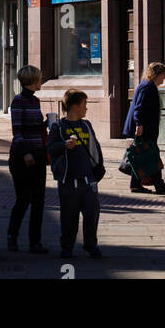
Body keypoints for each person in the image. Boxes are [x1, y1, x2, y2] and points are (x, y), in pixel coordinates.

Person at [47, 89, 104, 259]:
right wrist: (64, 145)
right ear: (74, 106)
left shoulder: (86, 125)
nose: (86, 109)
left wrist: (98, 168)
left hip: (88, 179)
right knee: (68, 216)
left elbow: (95, 147)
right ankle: (67, 246)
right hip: (68, 180)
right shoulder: (58, 127)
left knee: (92, 214)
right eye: (84, 105)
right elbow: (50, 148)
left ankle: (91, 244)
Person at [6, 64, 48, 254]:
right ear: (32, 81)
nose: (41, 81)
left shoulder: (36, 101)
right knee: (23, 199)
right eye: (39, 78)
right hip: (21, 157)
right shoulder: (18, 101)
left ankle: (35, 242)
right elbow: (17, 132)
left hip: (38, 154)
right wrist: (25, 153)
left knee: (39, 200)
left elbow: (35, 128)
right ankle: (12, 237)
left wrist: (48, 124)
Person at [123, 62, 165, 194]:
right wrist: (139, 124)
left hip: (146, 127)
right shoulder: (147, 87)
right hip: (145, 128)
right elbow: (139, 108)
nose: (164, 78)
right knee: (152, 155)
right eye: (163, 75)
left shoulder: (147, 85)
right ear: (156, 74)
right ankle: (159, 185)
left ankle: (136, 184)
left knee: (144, 155)